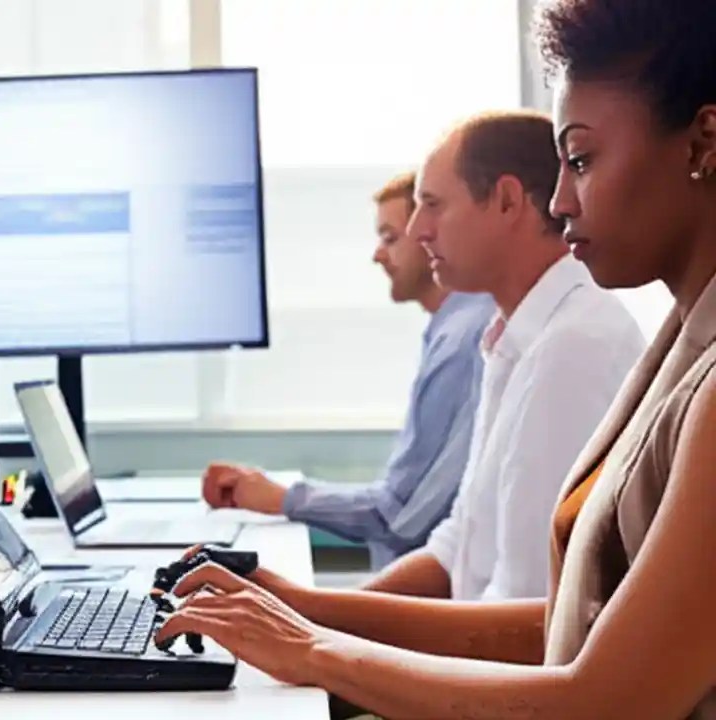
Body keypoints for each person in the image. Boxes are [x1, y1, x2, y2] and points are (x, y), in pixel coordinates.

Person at [156, 0, 716, 716]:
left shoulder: (619, 351)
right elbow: (567, 623)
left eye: (581, 159)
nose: (562, 199)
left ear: (702, 143)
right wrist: (302, 613)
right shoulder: (678, 343)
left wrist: (314, 646)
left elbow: (603, 698)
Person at [202, 172, 494, 570]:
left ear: (430, 236)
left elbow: (400, 518)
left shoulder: (462, 341)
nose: (377, 255)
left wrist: (282, 498)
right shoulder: (453, 329)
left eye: (390, 238)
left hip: (417, 595)